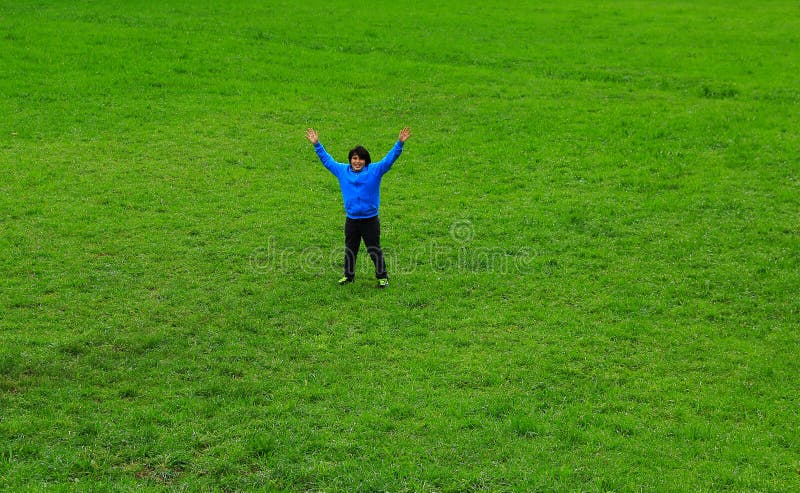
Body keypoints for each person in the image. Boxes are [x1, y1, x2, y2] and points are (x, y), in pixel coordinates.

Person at [305, 127, 412, 288]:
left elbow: (389, 160)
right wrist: (316, 144)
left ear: (366, 161)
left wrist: (399, 143)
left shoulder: (375, 171)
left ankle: (382, 277)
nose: (357, 162)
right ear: (350, 160)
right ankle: (348, 276)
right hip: (352, 220)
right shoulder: (342, 171)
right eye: (354, 158)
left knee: (374, 249)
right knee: (350, 250)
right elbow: (327, 161)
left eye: (361, 159)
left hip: (370, 220)